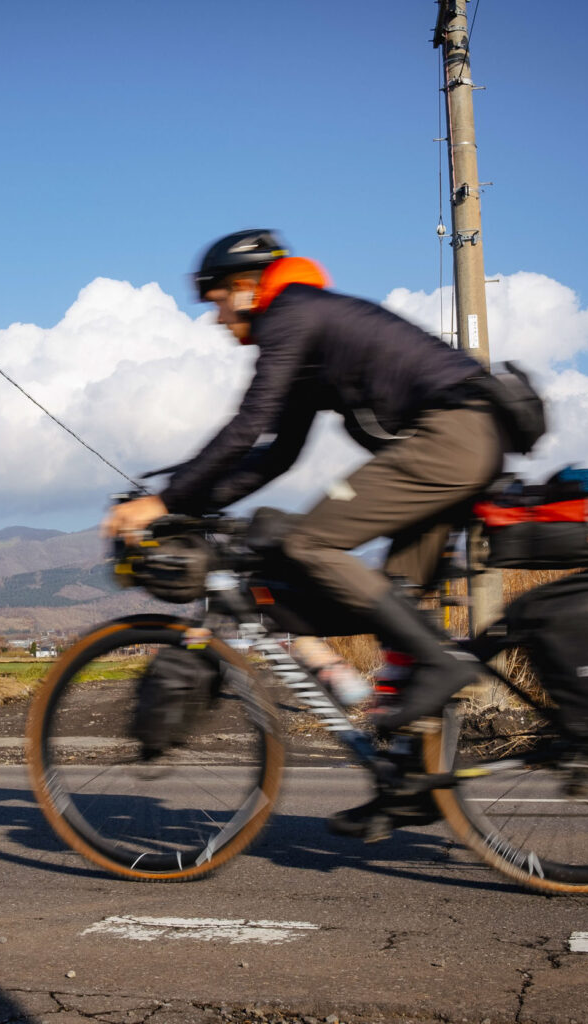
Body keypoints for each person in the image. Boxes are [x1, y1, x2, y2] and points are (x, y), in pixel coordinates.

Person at [103, 228, 509, 839]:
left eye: (216, 300)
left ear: (245, 288)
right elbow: (275, 454)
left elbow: (247, 427)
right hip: (464, 437)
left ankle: (442, 667)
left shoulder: (291, 315)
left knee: (305, 543)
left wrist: (163, 500)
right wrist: (188, 506)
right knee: (398, 608)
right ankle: (406, 783)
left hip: (451, 436)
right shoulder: (308, 328)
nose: (217, 318)